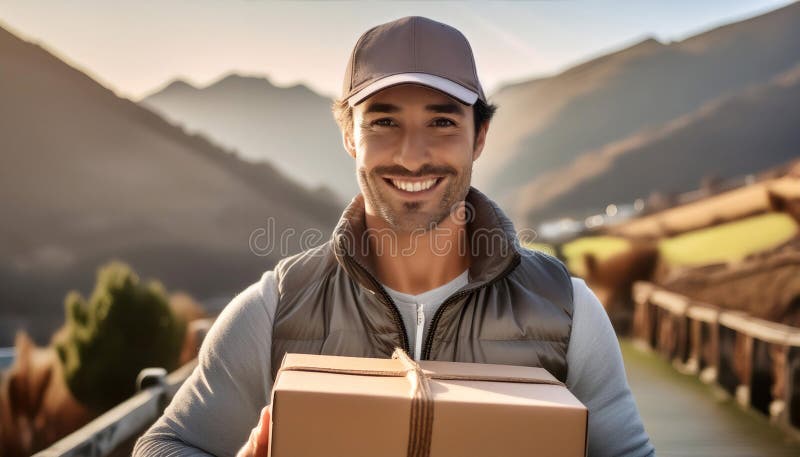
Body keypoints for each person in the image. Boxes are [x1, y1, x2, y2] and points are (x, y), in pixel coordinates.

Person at [133, 16, 655, 457]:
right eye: (383, 121)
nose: (411, 155)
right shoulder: (275, 308)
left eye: (442, 122)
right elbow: (164, 445)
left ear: (480, 137)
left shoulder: (568, 310)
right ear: (348, 136)